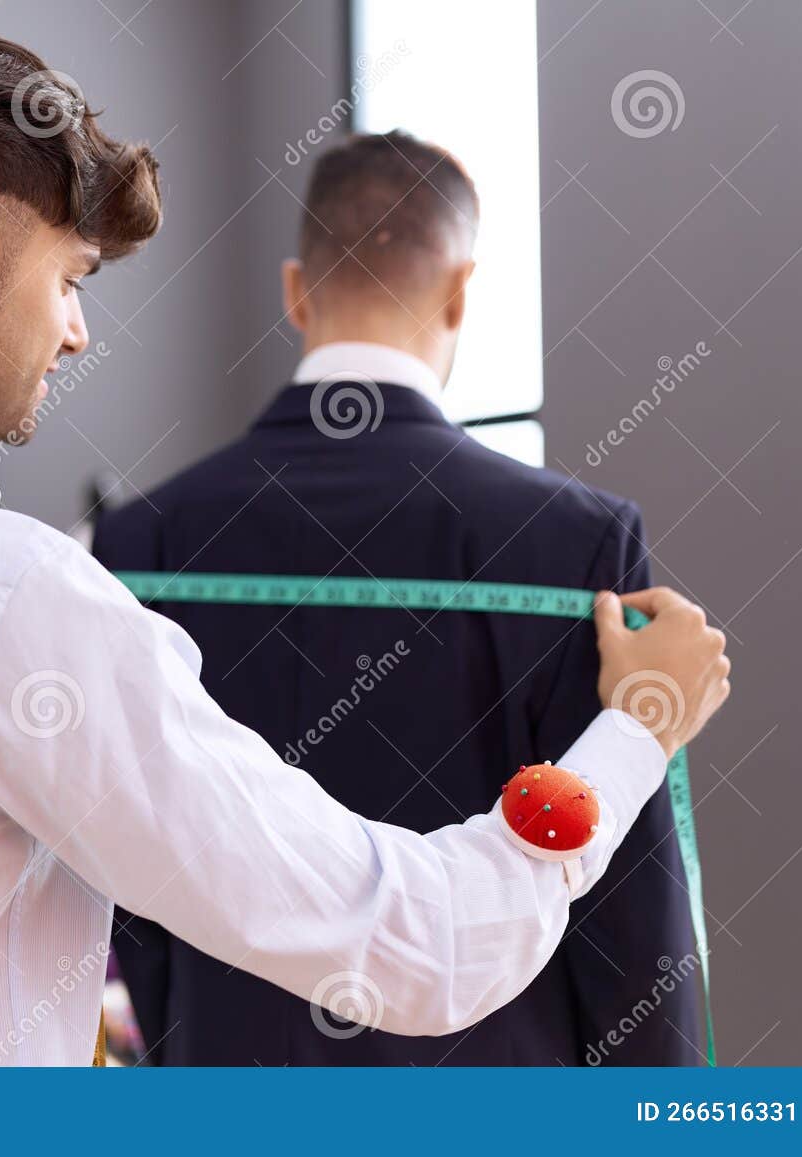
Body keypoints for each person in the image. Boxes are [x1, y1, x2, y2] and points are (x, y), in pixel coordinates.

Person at [0, 19, 730, 1065]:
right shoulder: (1, 596)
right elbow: (416, 943)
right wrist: (635, 731)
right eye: (71, 278)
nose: (74, 333)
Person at [95, 131, 708, 1065]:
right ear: (462, 290)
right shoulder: (572, 540)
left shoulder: (148, 540)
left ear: (296, 289)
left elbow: (124, 877)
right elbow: (628, 908)